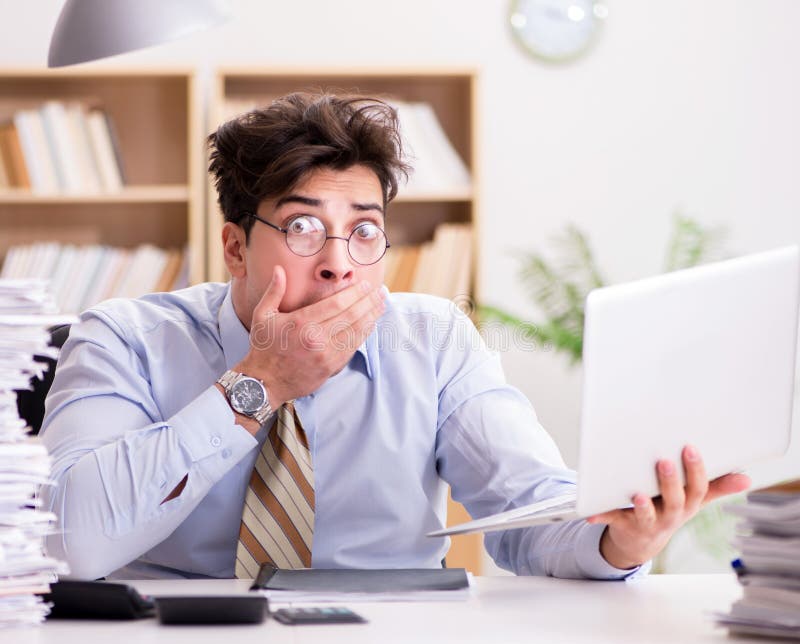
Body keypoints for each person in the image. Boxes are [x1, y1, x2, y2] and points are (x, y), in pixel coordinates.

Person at [39, 93, 749, 580]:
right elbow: (73, 542)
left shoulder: (433, 339)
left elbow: (530, 511)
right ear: (234, 247)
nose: (339, 261)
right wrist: (262, 382)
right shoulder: (122, 338)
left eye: (365, 230)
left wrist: (617, 541)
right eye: (303, 226)